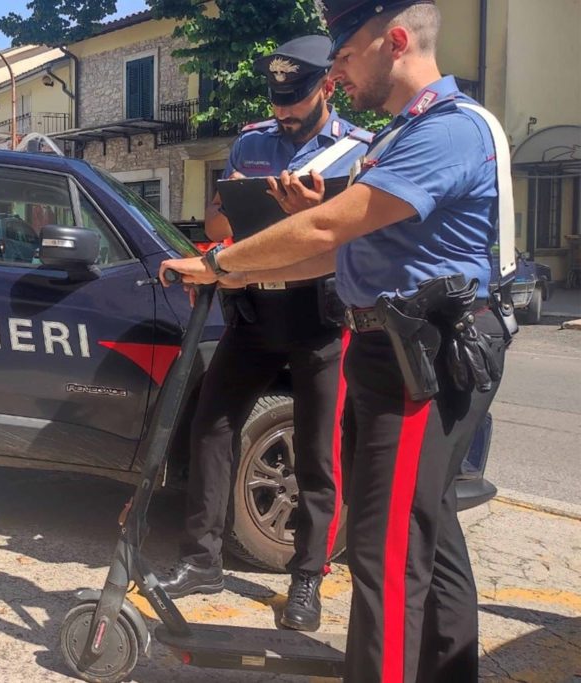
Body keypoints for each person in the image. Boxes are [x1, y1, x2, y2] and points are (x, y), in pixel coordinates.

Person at [159, 2, 513, 681]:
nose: (337, 74)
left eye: (346, 57)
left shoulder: (446, 132)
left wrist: (222, 263)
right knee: (429, 543)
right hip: (396, 350)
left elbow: (325, 232)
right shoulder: (400, 136)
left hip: (422, 359)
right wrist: (235, 271)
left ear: (396, 41)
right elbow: (331, 252)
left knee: (383, 554)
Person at [158, 35, 372, 635]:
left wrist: (307, 215)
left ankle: (307, 580)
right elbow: (217, 223)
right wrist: (235, 205)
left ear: (326, 86)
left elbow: (358, 241)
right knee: (211, 426)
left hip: (320, 316)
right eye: (278, 97)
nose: (285, 109)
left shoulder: (357, 150)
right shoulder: (253, 141)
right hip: (253, 309)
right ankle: (201, 562)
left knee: (317, 451)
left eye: (297, 97)